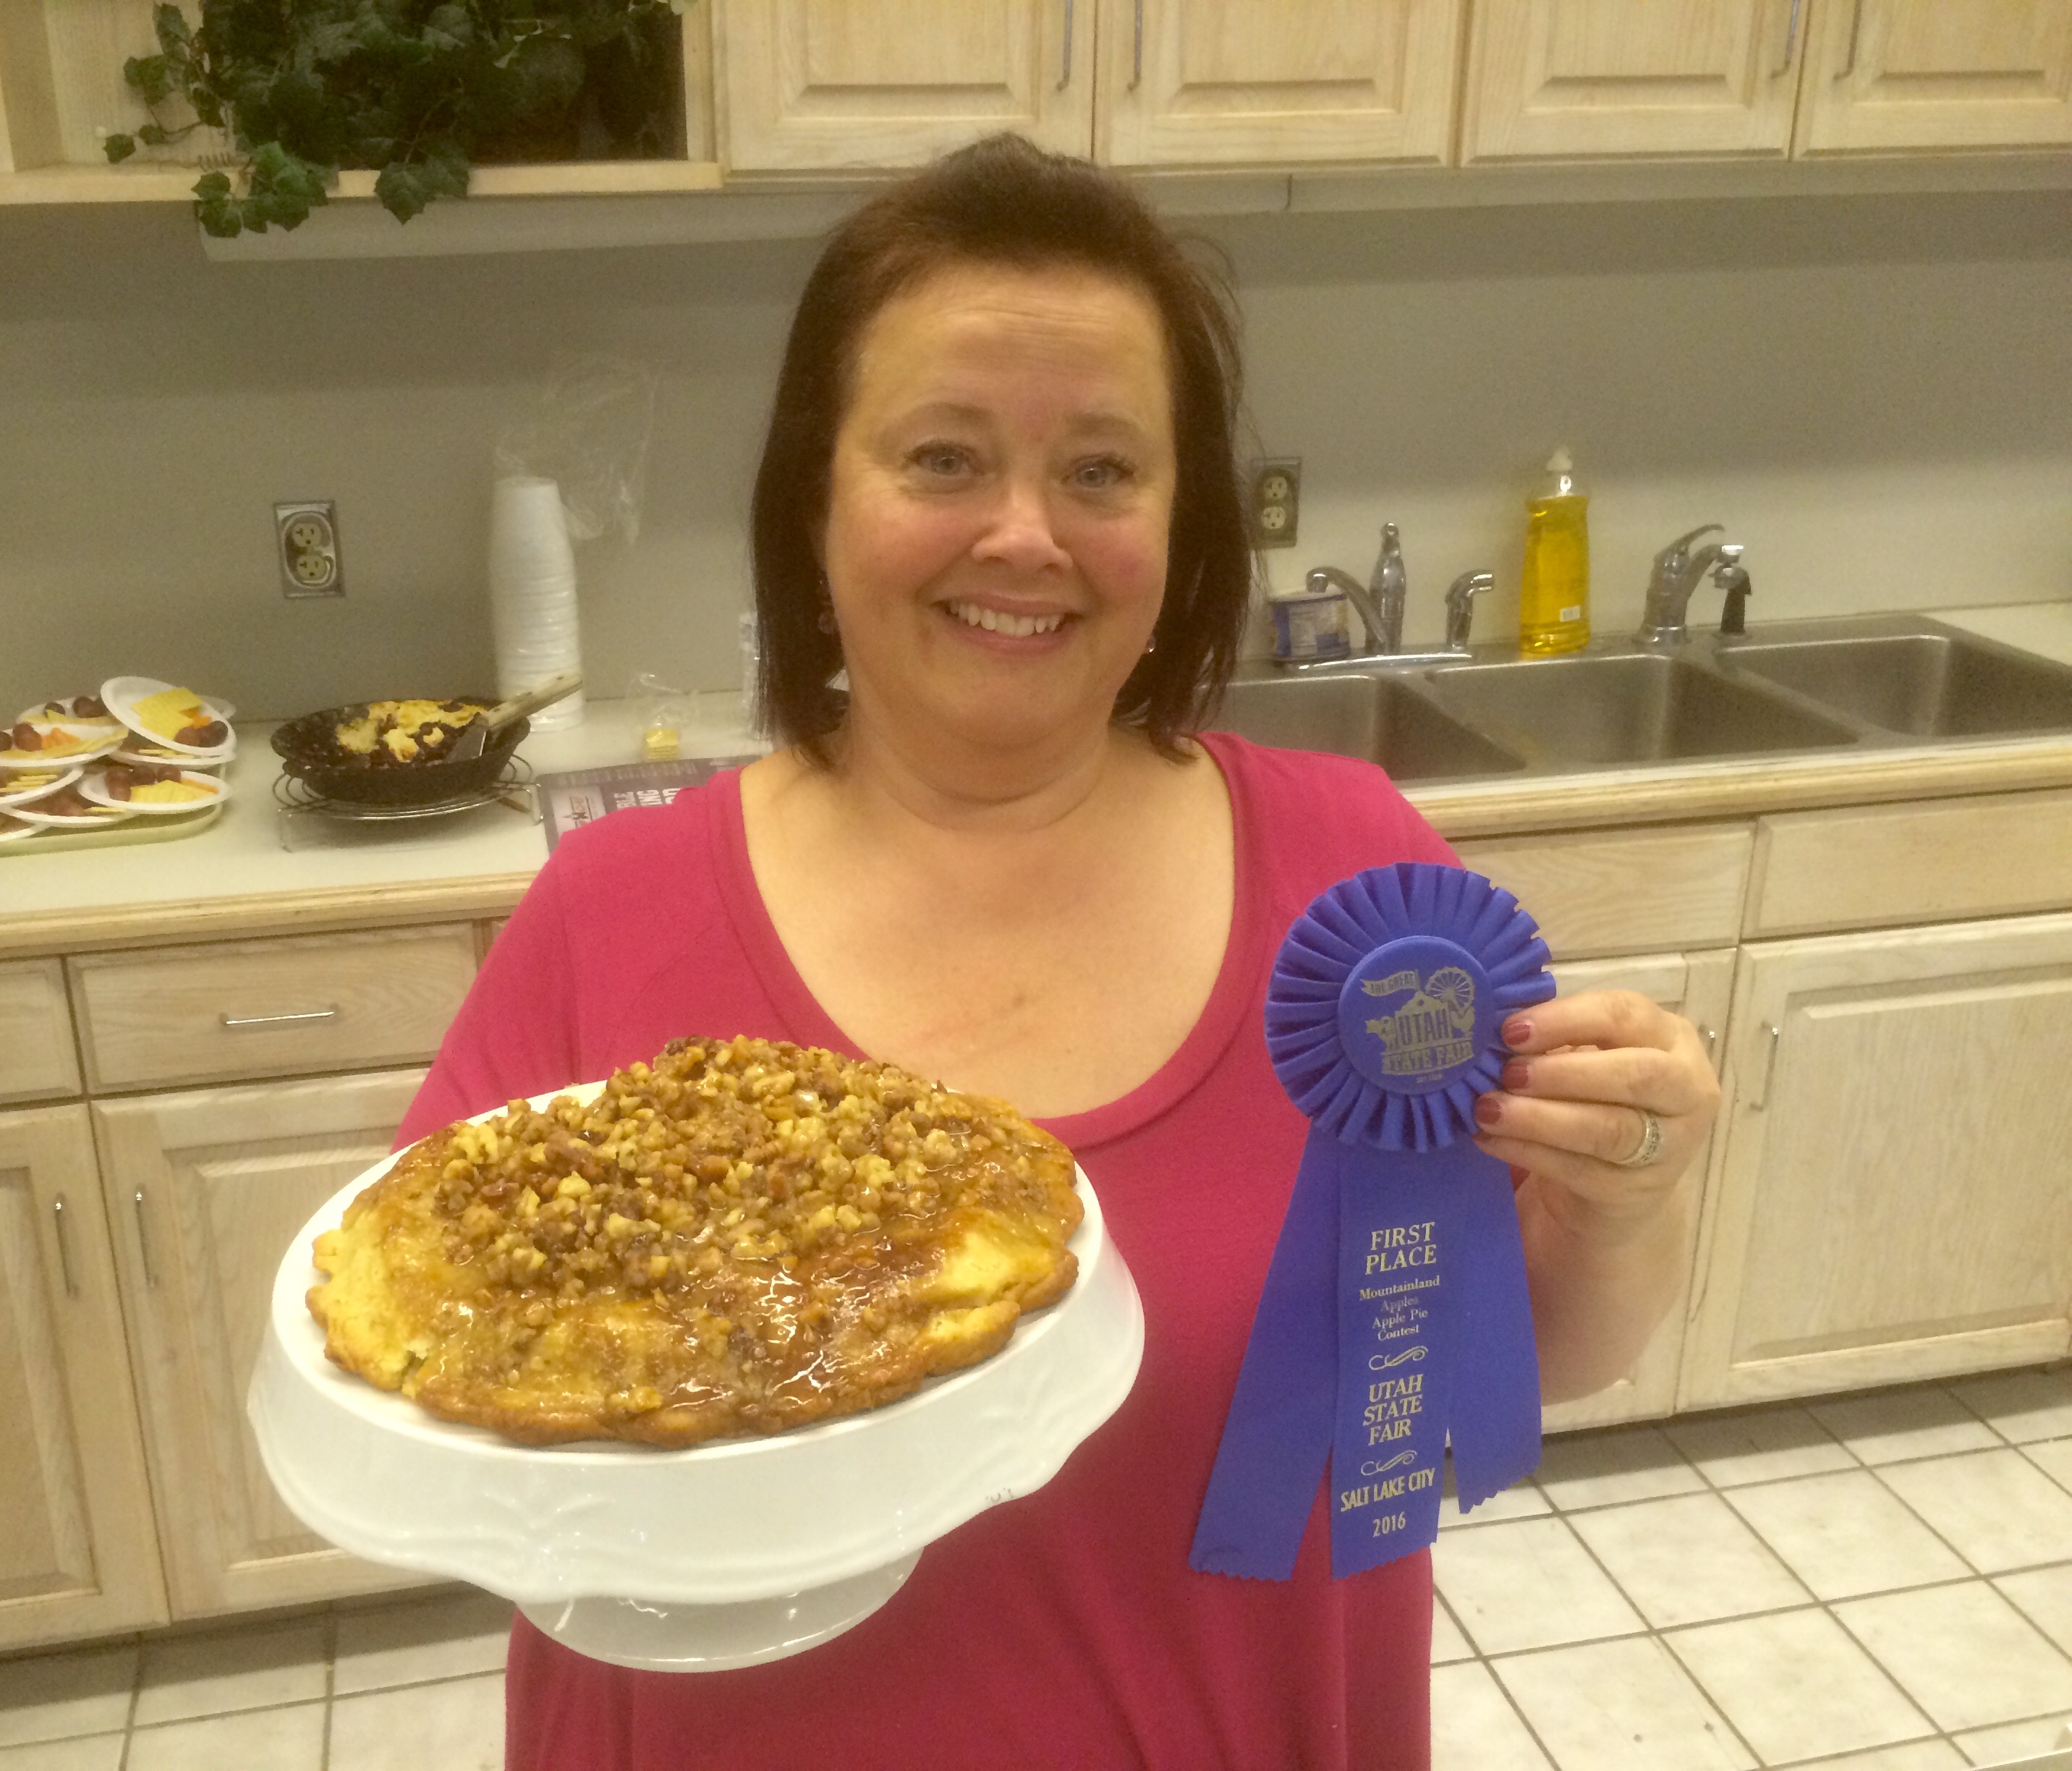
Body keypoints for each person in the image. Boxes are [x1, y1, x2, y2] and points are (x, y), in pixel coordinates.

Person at [399, 133, 1719, 1770]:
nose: (1025, 535)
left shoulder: (1362, 881)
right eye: (942, 458)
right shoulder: (609, 913)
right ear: (819, 498)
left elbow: (1519, 1356)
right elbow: (420, 1410)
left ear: (1181, 529)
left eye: (1102, 470)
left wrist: (1627, 1200)